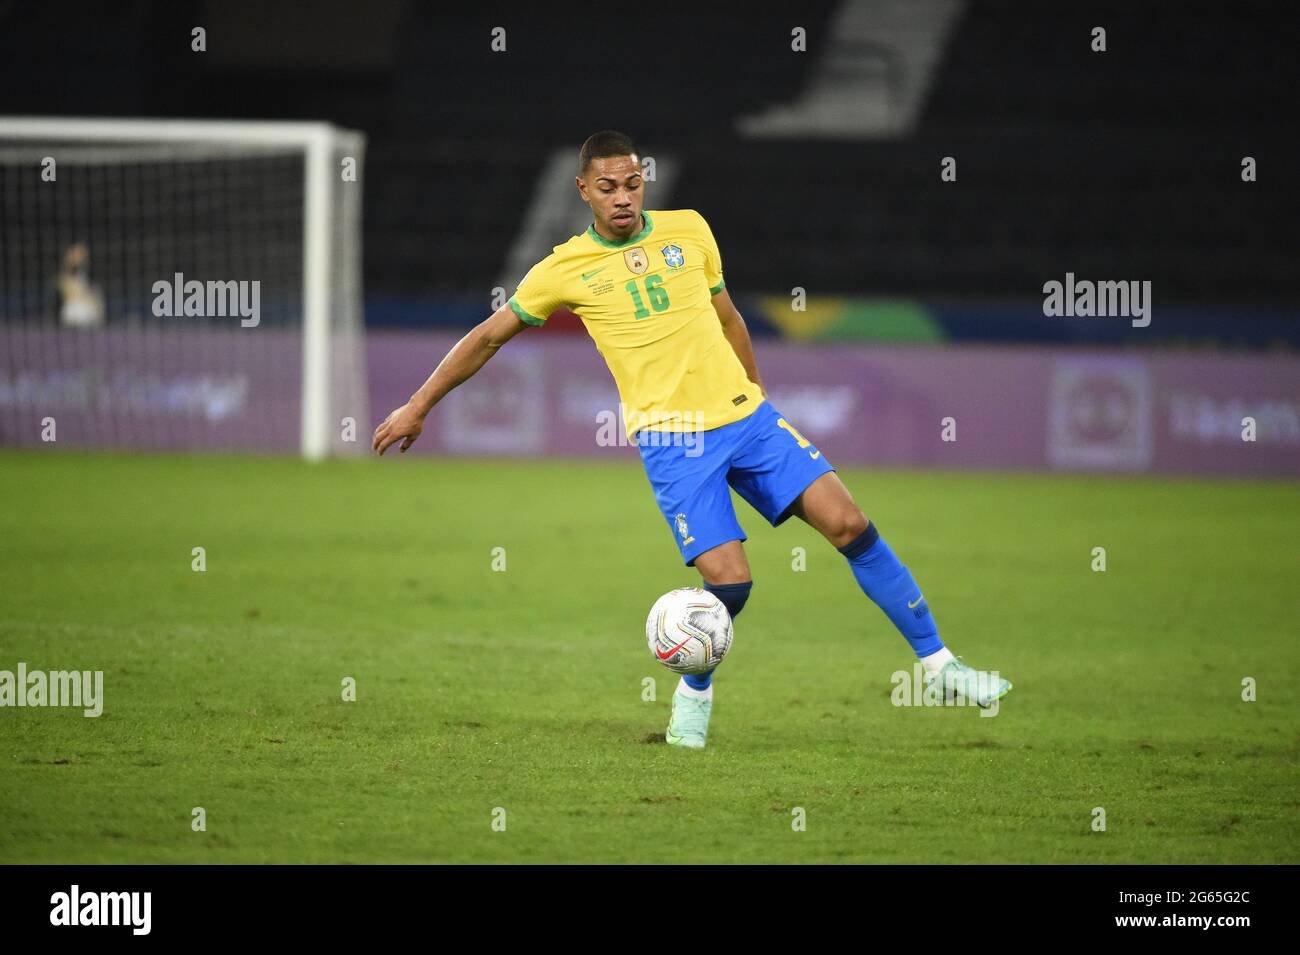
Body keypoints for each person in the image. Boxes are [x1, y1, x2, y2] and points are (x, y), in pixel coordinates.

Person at [373, 130, 1011, 749]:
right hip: (674, 441)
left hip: (748, 420)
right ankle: (694, 695)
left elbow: (728, 316)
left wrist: (756, 395)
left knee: (849, 524)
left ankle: (939, 667)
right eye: (607, 188)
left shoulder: (691, 229)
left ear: (642, 180)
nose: (623, 197)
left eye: (632, 184)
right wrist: (418, 405)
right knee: (731, 586)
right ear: (583, 191)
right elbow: (487, 337)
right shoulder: (562, 269)